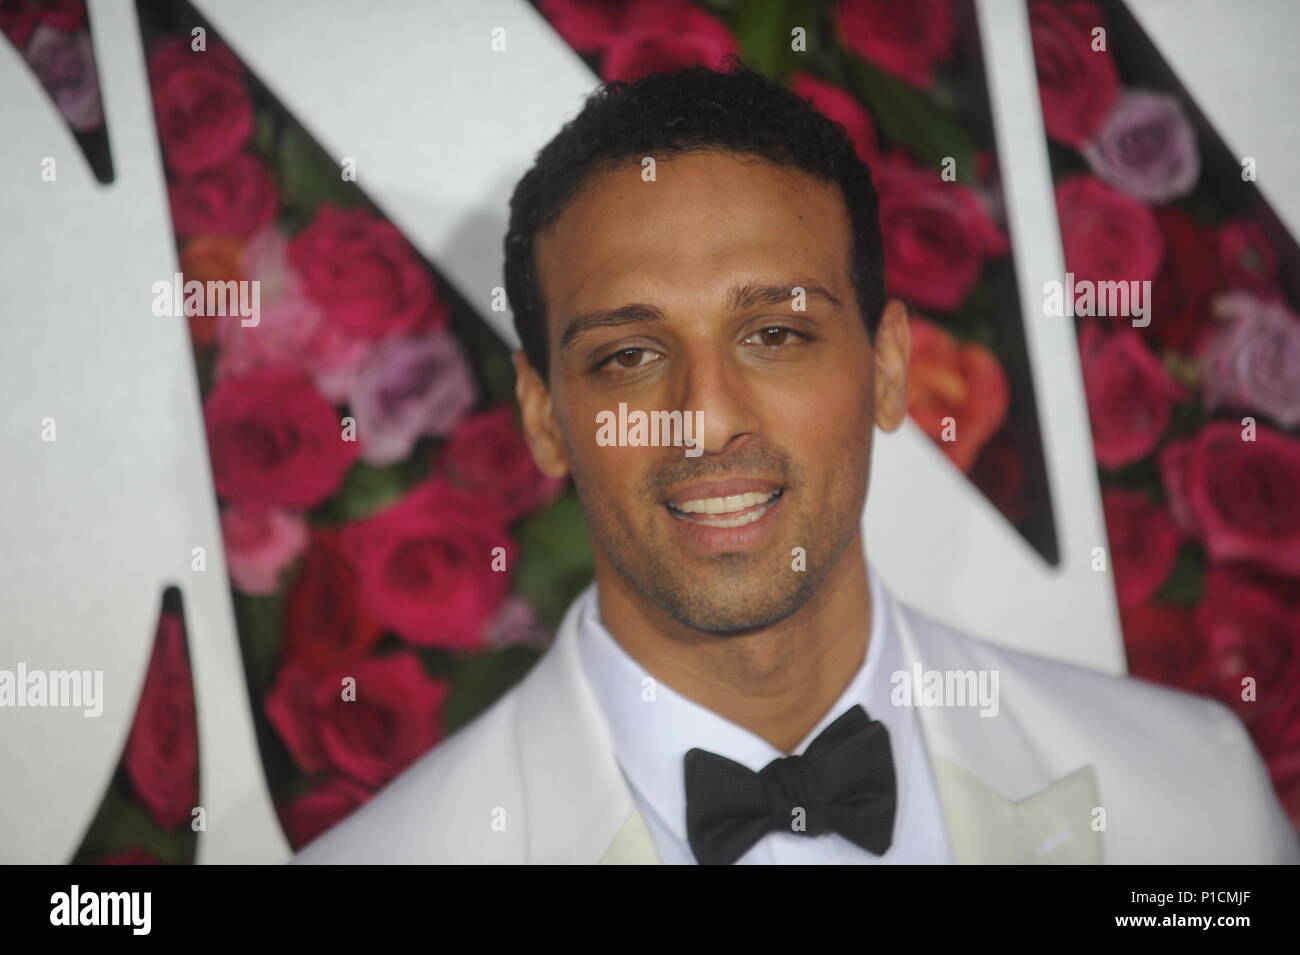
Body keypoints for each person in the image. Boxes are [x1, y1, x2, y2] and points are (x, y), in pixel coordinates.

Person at [294, 63, 1297, 865]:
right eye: (628, 356)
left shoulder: (1188, 793)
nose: (706, 419)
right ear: (544, 416)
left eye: (775, 333)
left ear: (888, 368)